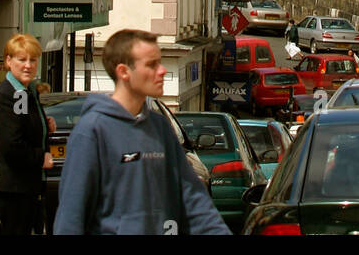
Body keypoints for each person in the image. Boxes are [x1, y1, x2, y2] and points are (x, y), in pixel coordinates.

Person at [53, 29, 230, 236]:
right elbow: (70, 218)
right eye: (151, 65)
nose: (162, 70)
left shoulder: (160, 127)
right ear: (123, 72)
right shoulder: (92, 130)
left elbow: (193, 199)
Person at [0, 34, 52, 236]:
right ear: (8, 61)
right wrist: (40, 158)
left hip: (22, 191)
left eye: (33, 60)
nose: (28, 65)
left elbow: (23, 124)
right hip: (8, 194)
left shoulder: (23, 92)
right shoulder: (9, 95)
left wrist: (45, 124)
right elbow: (12, 145)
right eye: (21, 59)